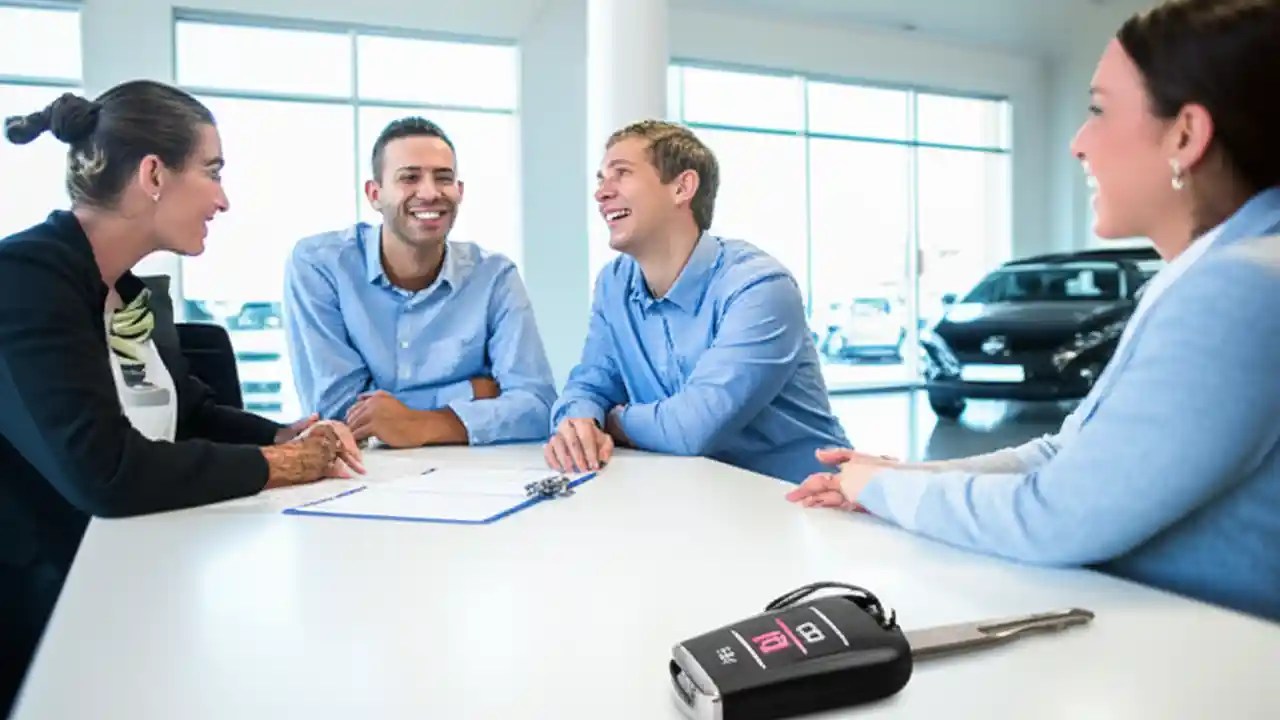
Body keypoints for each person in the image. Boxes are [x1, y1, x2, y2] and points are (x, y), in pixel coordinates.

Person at [787, 0, 1280, 622]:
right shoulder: (1225, 266)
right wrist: (908, 475)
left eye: (1099, 110)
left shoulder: (1238, 289)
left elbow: (1054, 516)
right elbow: (1067, 454)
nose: (1078, 143)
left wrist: (876, 487)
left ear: (1185, 134)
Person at [0, 81, 363, 713]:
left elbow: (188, 412)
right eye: (213, 171)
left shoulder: (129, 291)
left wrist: (282, 433)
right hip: (43, 616)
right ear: (153, 174)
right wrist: (282, 466)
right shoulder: (24, 280)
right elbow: (104, 472)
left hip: (137, 579)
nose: (223, 199)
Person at [545, 120, 850, 482]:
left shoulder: (759, 286)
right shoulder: (614, 283)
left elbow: (692, 428)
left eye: (621, 174)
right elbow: (590, 384)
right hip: (701, 498)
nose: (601, 194)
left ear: (682, 187)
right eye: (600, 179)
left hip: (803, 504)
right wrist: (579, 422)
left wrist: (612, 421)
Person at [284, 117, 556, 448]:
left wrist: (423, 424)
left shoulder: (494, 277)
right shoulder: (319, 265)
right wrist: (471, 392)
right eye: (409, 178)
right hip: (363, 476)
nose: (429, 193)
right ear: (375, 194)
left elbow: (538, 406)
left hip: (474, 477)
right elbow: (339, 412)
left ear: (460, 191)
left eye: (443, 178)